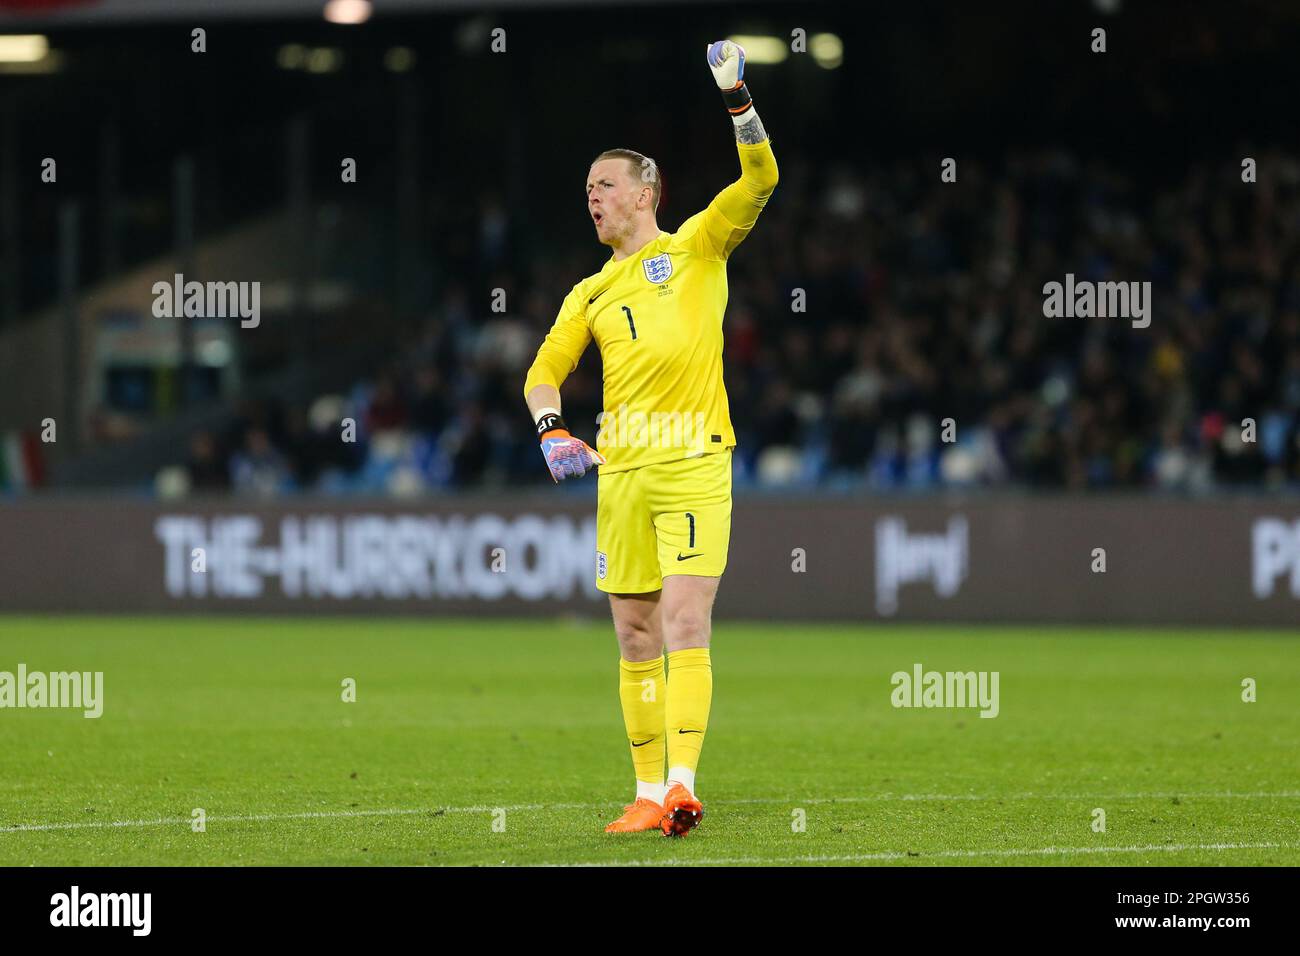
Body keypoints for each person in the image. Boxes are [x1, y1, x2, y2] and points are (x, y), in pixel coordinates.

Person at [522, 41, 778, 836]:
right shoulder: (589, 292)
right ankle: (643, 794)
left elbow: (761, 180)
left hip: (695, 460)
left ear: (645, 193)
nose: (591, 199)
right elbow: (542, 371)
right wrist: (551, 430)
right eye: (586, 190)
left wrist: (736, 95)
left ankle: (681, 785)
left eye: (604, 186)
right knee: (634, 631)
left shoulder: (697, 246)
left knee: (685, 620)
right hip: (622, 475)